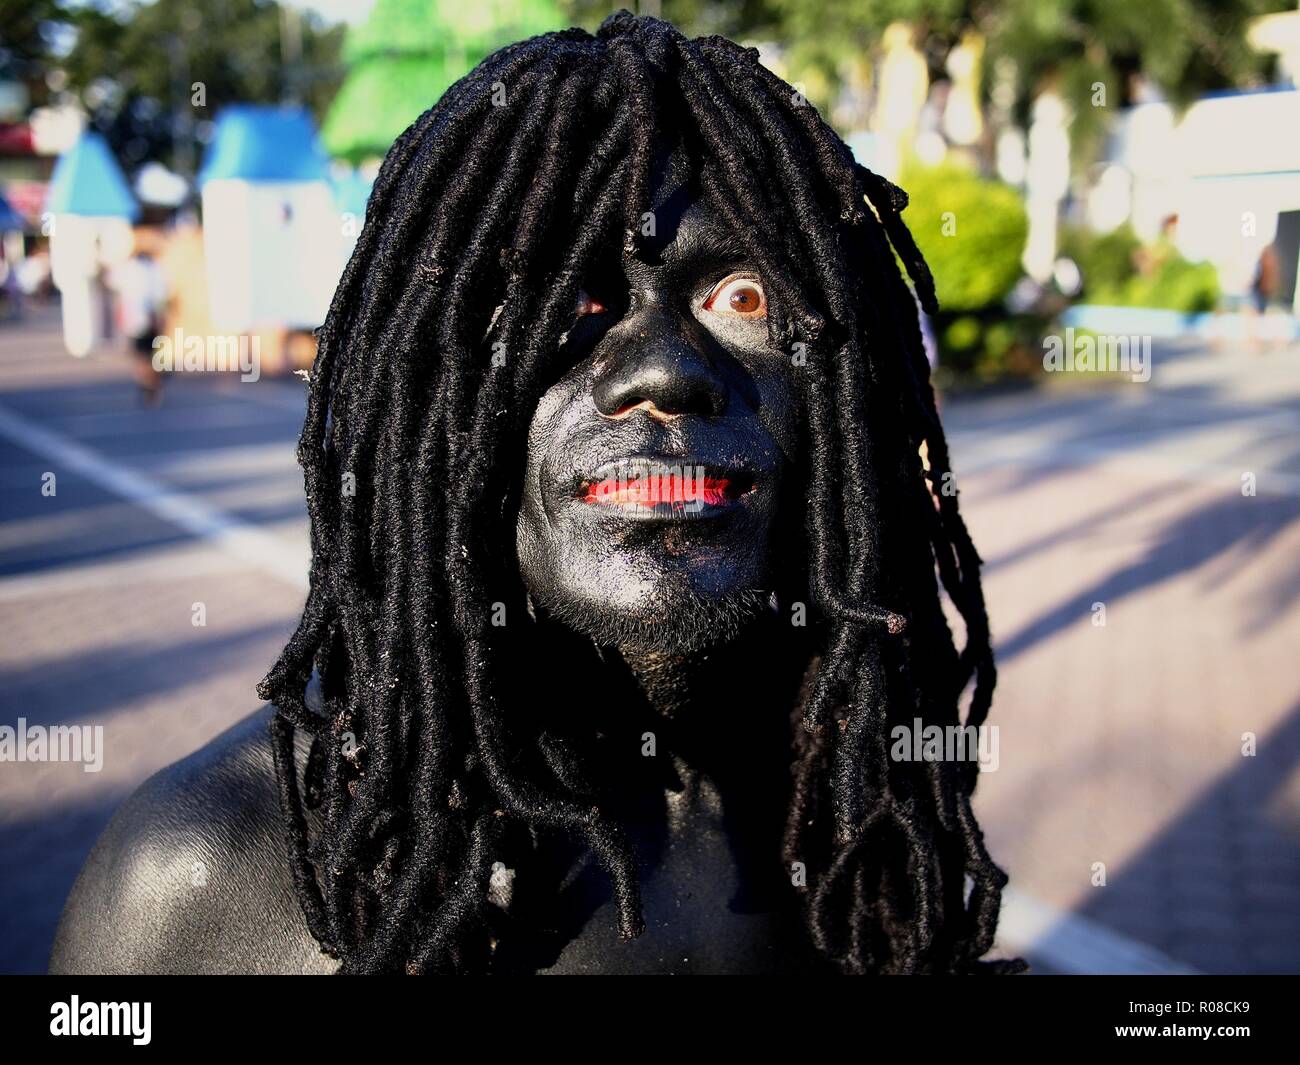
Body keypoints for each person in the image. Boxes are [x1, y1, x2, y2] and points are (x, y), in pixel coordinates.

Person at [51, 14, 1019, 975]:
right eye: (561, 300)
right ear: (426, 386)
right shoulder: (214, 864)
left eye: (743, 297)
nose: (664, 372)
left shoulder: (862, 808)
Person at [111, 244, 168, 404]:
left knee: (142, 355)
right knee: (149, 355)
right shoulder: (154, 268)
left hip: (138, 320)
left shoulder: (131, 269)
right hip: (147, 319)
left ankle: (148, 384)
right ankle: (150, 385)